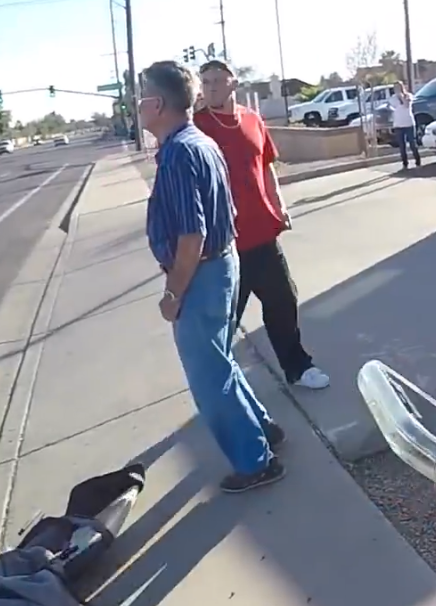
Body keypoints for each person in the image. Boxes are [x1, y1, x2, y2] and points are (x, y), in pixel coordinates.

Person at [139, 60, 286, 493]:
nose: (138, 106)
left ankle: (256, 462)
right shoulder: (198, 141)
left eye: (142, 96)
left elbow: (192, 236)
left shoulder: (182, 151)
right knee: (221, 363)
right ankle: (262, 426)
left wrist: (173, 293)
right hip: (222, 267)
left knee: (209, 379)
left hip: (200, 276)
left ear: (158, 103)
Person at [193, 60, 331, 392]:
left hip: (262, 234)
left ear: (233, 83)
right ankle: (216, 385)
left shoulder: (253, 120)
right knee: (224, 321)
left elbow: (266, 166)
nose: (210, 87)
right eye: (205, 81)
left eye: (217, 81)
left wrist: (278, 204)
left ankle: (297, 367)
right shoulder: (196, 127)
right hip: (222, 244)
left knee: (283, 300)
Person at [386, 81, 420, 170]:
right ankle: (405, 163)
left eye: (398, 87)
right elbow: (391, 108)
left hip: (408, 123)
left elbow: (406, 105)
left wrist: (401, 96)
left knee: (412, 143)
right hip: (398, 124)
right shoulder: (392, 98)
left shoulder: (408, 96)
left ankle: (417, 160)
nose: (397, 89)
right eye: (395, 88)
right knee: (402, 145)